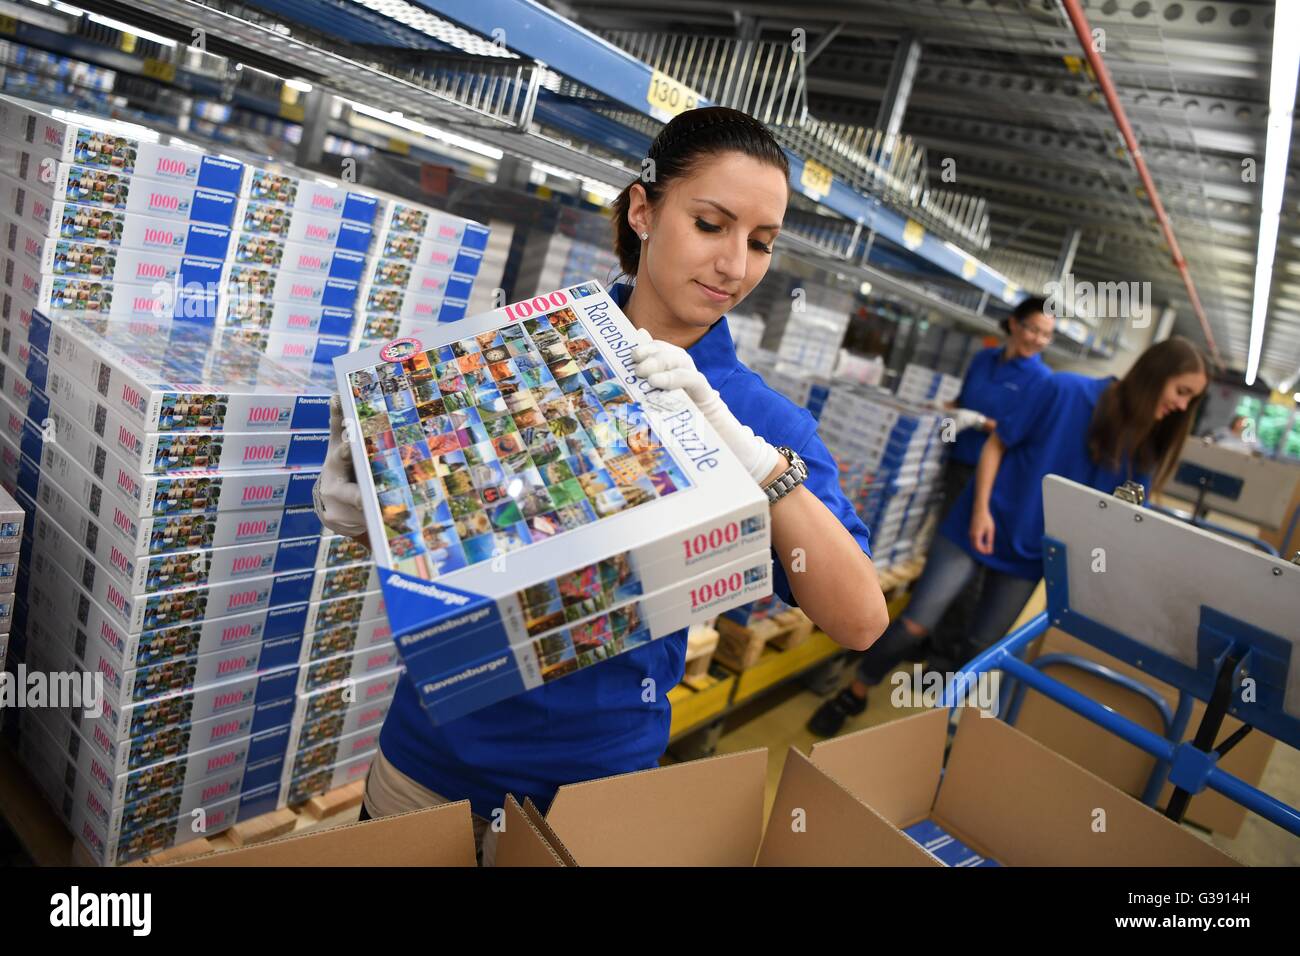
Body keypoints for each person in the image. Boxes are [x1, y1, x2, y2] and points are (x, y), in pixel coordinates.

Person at [314, 106, 889, 862]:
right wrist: (377, 506)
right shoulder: (522, 350)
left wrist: (753, 463)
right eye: (711, 224)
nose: (735, 266)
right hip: (428, 761)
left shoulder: (759, 418)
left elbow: (859, 622)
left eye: (761, 243)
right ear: (644, 209)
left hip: (586, 797)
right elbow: (456, 541)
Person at [809, 335, 1208, 736]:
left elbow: (1119, 519)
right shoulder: (1063, 390)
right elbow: (997, 445)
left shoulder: (1145, 447)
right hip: (977, 524)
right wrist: (981, 510)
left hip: (1031, 556)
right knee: (918, 621)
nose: (1182, 405)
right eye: (1182, 391)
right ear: (1155, 375)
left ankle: (941, 727)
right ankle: (854, 693)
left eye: (1192, 399)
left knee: (984, 644)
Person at [923, 296, 1056, 670]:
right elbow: (963, 401)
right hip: (956, 463)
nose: (1036, 339)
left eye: (1046, 335)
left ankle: (946, 653)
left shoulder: (1042, 381)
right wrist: (945, 410)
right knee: (942, 552)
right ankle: (928, 631)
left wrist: (981, 422)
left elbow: (1026, 435)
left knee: (967, 562)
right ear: (1013, 324)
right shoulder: (983, 360)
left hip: (991, 479)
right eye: (1032, 328)